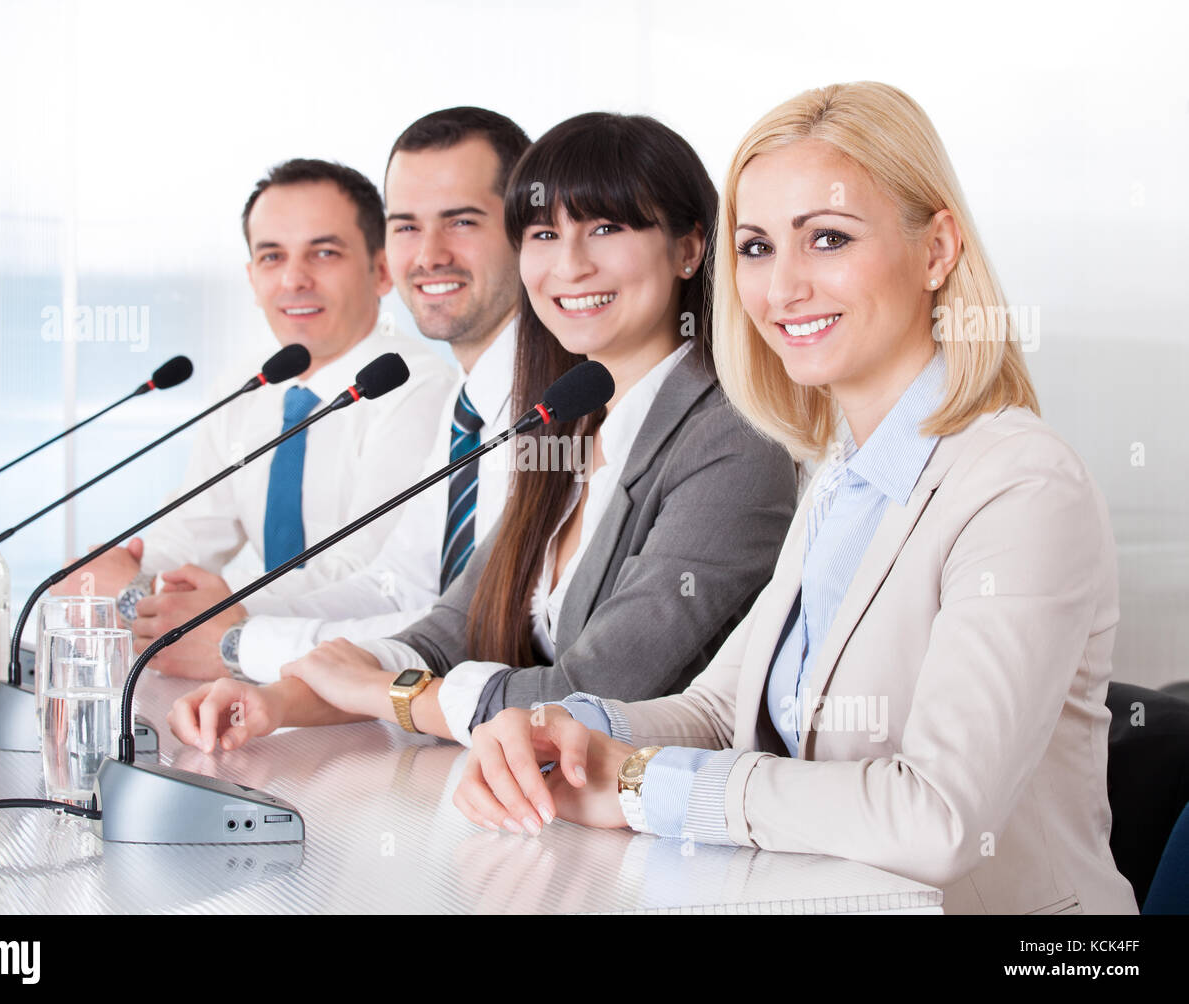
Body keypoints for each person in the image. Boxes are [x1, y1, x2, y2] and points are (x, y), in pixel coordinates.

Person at [451, 82, 1139, 915]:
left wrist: (642, 786)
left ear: (937, 250)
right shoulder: (842, 480)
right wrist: (572, 731)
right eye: (757, 247)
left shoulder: (1021, 488)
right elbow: (720, 706)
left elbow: (939, 815)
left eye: (828, 238)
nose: (782, 289)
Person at [167, 112, 798, 762]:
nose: (571, 265)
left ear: (690, 249)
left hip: (667, 832)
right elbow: (452, 631)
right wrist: (279, 702)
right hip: (538, 810)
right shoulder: (571, 421)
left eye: (606, 228)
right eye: (545, 234)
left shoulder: (734, 439)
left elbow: (590, 693)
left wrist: (395, 694)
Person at [54, 160, 455, 676]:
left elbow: (369, 576)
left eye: (324, 253)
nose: (293, 279)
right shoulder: (250, 385)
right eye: (272, 256)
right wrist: (122, 571)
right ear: (251, 276)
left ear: (382, 270)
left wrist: (176, 603)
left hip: (372, 678)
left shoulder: (418, 389)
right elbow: (192, 531)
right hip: (250, 675)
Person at [212, 108, 530, 684]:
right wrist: (228, 620)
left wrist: (242, 641)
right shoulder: (469, 402)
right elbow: (398, 582)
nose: (430, 254)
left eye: (461, 222)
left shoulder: (552, 413)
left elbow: (478, 630)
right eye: (407, 225)